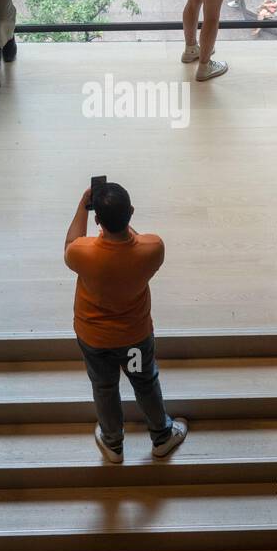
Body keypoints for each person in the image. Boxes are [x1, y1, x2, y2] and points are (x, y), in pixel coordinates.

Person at [64, 182, 186, 462]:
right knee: (145, 382)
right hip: (134, 339)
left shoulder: (83, 253)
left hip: (94, 339)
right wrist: (121, 227)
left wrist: (84, 202)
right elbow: (137, 240)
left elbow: (70, 243)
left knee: (104, 388)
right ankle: (162, 437)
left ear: (97, 219)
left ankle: (113, 443)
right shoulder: (153, 247)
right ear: (131, 212)